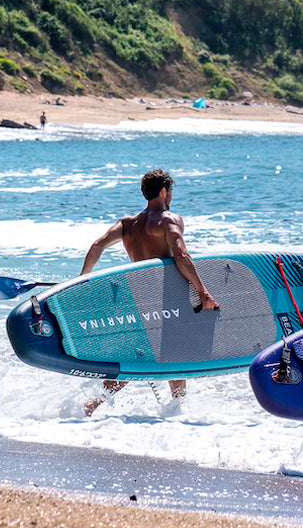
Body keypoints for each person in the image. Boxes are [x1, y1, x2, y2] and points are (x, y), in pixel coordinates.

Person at [80, 168, 219, 415]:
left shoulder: (127, 224)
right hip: (166, 300)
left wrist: (82, 279)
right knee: (174, 357)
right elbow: (181, 255)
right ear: (164, 191)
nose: (172, 195)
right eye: (171, 191)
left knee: (137, 359)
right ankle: (177, 412)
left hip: (137, 299)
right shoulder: (168, 220)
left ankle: (89, 407)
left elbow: (97, 245)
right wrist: (202, 290)